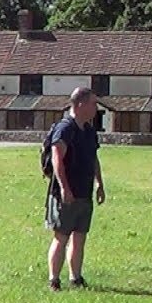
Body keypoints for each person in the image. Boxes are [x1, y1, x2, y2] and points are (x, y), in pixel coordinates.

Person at [45, 87, 106, 291]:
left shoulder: (89, 130)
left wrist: (99, 184)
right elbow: (57, 159)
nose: (95, 108)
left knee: (80, 236)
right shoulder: (65, 128)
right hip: (66, 193)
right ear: (80, 105)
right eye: (92, 104)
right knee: (61, 236)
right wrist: (64, 188)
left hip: (84, 191)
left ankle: (76, 278)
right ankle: (54, 280)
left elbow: (93, 158)